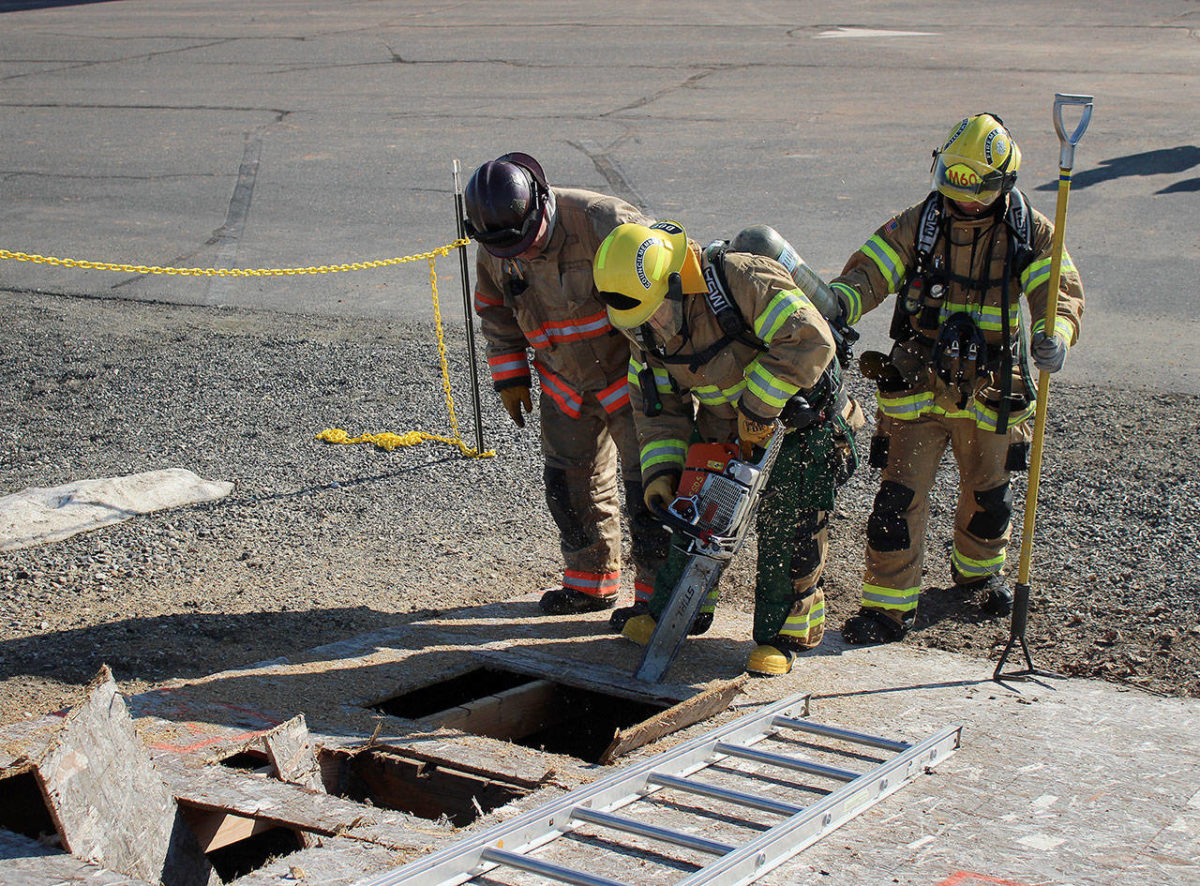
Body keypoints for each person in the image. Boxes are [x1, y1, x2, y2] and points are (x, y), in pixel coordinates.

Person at [828, 113, 1085, 645]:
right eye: (954, 184)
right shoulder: (919, 223)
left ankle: (976, 576)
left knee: (989, 498)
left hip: (994, 391)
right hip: (919, 389)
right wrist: (837, 305)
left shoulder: (1028, 232)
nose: (965, 199)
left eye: (978, 188)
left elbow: (1055, 291)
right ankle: (887, 608)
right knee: (897, 501)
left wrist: (1055, 333)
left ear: (1005, 181)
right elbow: (870, 272)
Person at [592, 219, 860, 676]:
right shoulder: (644, 326)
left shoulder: (740, 278)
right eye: (639, 322)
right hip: (729, 423)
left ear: (675, 284)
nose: (650, 327)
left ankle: (787, 632)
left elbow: (810, 340)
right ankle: (682, 611)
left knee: (787, 521)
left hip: (802, 416)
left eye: (654, 313)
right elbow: (658, 411)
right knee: (693, 509)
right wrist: (662, 475)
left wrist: (758, 409)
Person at [465, 152, 670, 615]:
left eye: (524, 242)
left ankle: (660, 600)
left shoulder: (604, 222)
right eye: (506, 250)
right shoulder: (498, 243)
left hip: (633, 386)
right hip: (565, 387)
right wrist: (510, 375)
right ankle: (590, 583)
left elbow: (666, 301)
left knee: (652, 495)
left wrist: (666, 385)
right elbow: (496, 310)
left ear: (540, 202)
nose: (519, 255)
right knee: (567, 487)